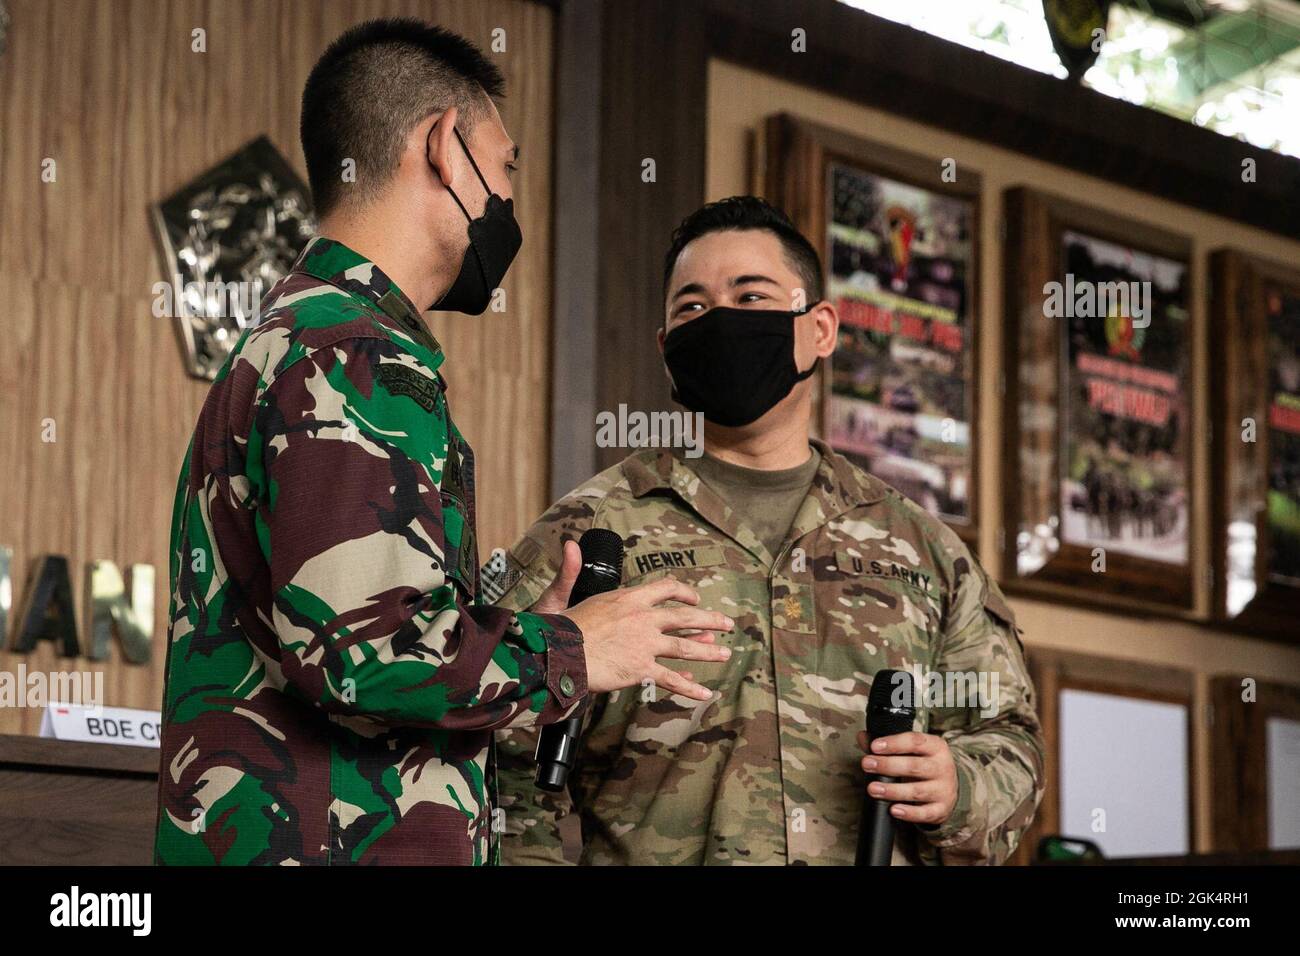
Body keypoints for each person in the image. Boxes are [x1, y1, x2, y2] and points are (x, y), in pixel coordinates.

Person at [154, 18, 731, 866]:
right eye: (503, 167)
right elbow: (362, 657)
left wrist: (508, 634)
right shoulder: (353, 350)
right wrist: (575, 648)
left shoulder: (312, 331)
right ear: (442, 146)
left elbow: (357, 630)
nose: (506, 202)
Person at [491, 196, 1044, 865]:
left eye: (750, 296)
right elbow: (501, 751)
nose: (720, 320)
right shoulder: (589, 534)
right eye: (691, 307)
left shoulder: (925, 553)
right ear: (667, 350)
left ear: (820, 329)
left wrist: (958, 787)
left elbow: (1008, 739)